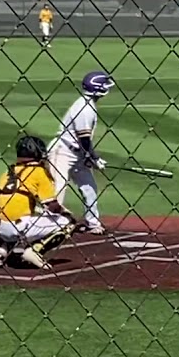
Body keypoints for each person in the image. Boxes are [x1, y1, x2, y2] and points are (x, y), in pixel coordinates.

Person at [0, 135, 76, 270]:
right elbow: (52, 206)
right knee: (69, 223)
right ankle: (35, 251)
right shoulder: (39, 171)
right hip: (19, 227)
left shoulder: (8, 171)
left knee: (2, 205)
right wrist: (65, 212)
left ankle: (4, 247)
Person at [48, 71, 115, 235]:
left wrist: (88, 157)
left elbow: (83, 142)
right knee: (58, 188)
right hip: (62, 152)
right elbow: (84, 138)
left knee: (89, 187)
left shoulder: (88, 104)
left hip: (77, 153)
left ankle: (93, 223)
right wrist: (94, 158)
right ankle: (49, 225)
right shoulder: (85, 109)